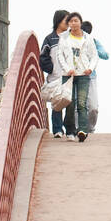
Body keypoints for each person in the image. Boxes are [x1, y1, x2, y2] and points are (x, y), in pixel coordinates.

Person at [55, 12, 98, 142]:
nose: (73, 23)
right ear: (68, 24)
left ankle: (82, 130)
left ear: (80, 22)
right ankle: (70, 130)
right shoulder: (63, 38)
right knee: (69, 103)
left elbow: (94, 55)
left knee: (81, 103)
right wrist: (67, 69)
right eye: (71, 21)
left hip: (83, 75)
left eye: (76, 21)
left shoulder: (88, 38)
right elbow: (60, 55)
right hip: (68, 75)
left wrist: (90, 68)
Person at [40, 9, 69, 138]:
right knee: (57, 103)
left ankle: (70, 129)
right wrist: (51, 68)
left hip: (69, 75)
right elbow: (42, 57)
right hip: (55, 76)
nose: (68, 23)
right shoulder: (50, 39)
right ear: (58, 21)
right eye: (65, 20)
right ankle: (57, 129)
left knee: (70, 102)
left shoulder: (71, 37)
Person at [81, 20, 108, 133]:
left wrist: (92, 48)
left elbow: (105, 55)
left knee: (93, 107)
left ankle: (90, 128)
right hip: (77, 77)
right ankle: (80, 129)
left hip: (91, 77)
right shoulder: (71, 41)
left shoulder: (94, 42)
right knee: (79, 106)